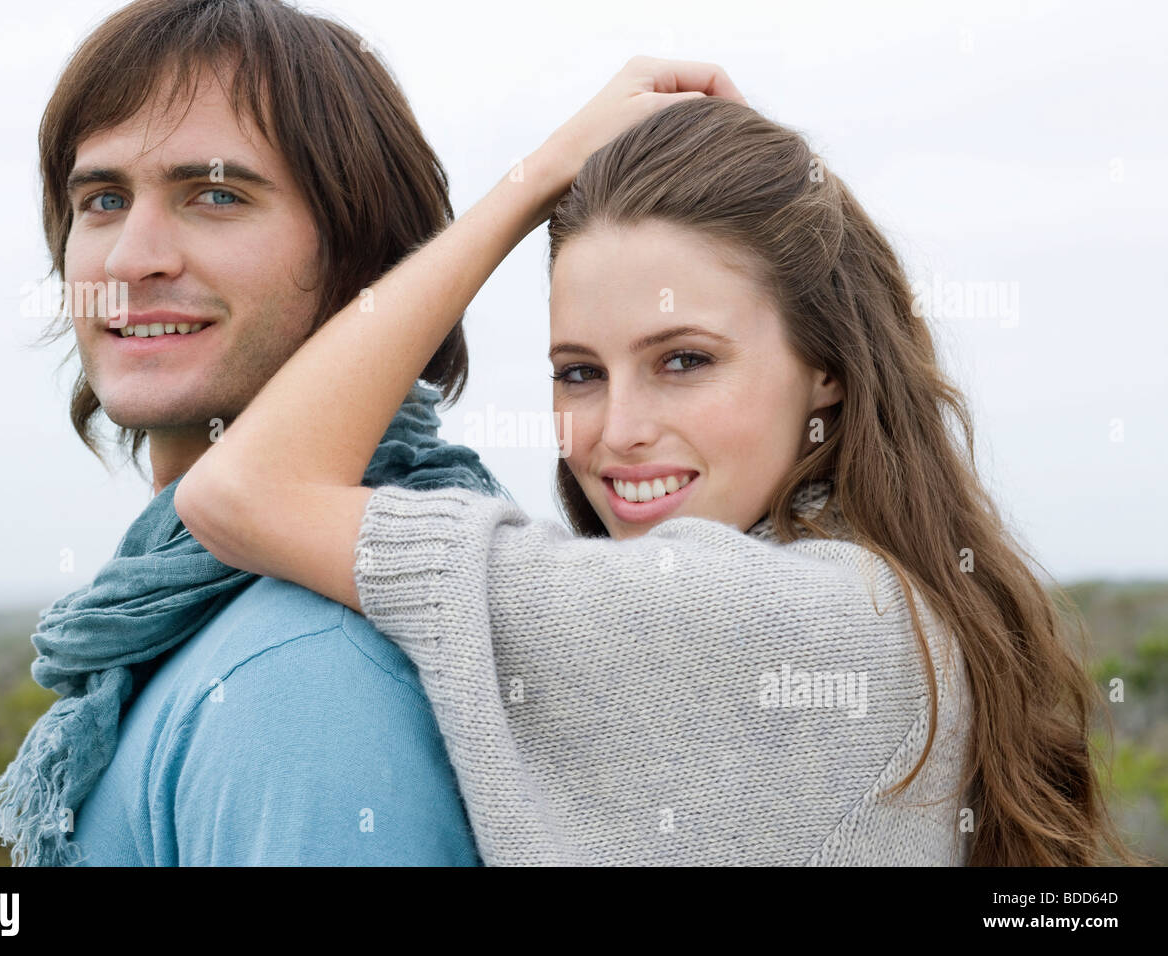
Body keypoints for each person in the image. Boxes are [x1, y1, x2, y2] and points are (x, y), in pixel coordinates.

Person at [175, 60, 1140, 865]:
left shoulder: (731, 616)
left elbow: (238, 489)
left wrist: (532, 183)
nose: (618, 430)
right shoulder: (898, 601)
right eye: (579, 373)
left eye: (684, 360)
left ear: (827, 369)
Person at [0, 0, 513, 866]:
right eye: (102, 199)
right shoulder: (189, 623)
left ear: (366, 262)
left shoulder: (303, 680)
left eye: (215, 194)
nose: (132, 258)